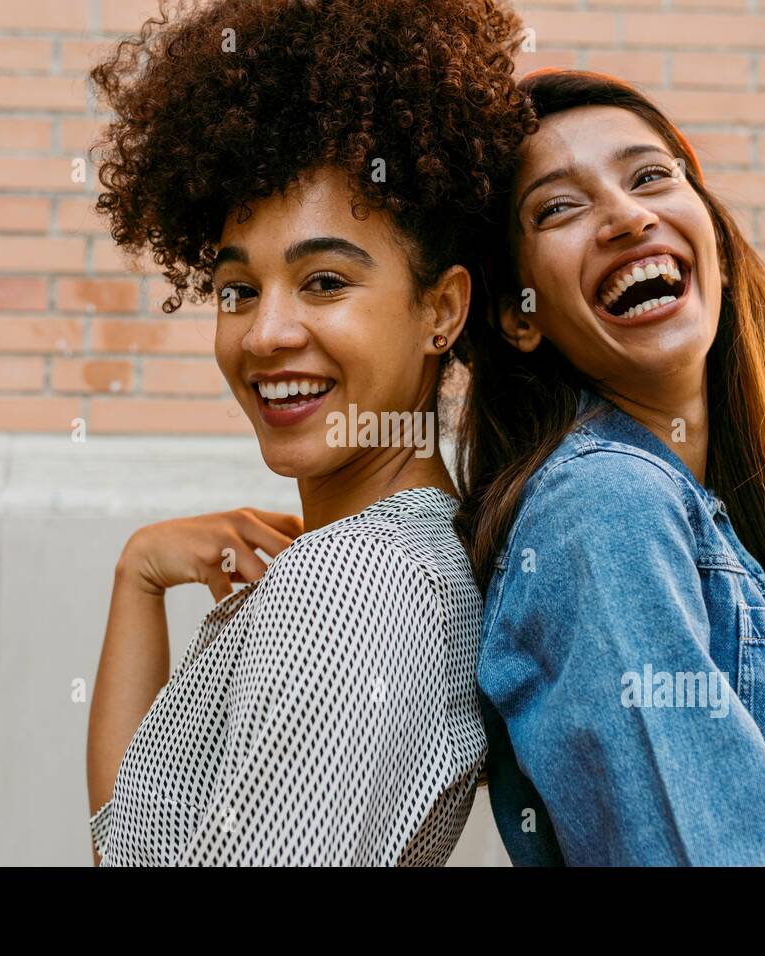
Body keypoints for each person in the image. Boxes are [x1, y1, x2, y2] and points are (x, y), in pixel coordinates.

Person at [84, 0, 535, 866]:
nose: (263, 335)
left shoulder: (347, 584)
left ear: (442, 309)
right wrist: (139, 574)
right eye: (237, 290)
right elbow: (126, 849)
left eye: (324, 281)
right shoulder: (410, 552)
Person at [456, 69, 765, 866]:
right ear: (516, 319)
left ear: (718, 245)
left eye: (651, 176)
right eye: (558, 207)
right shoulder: (604, 507)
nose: (628, 217)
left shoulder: (698, 508)